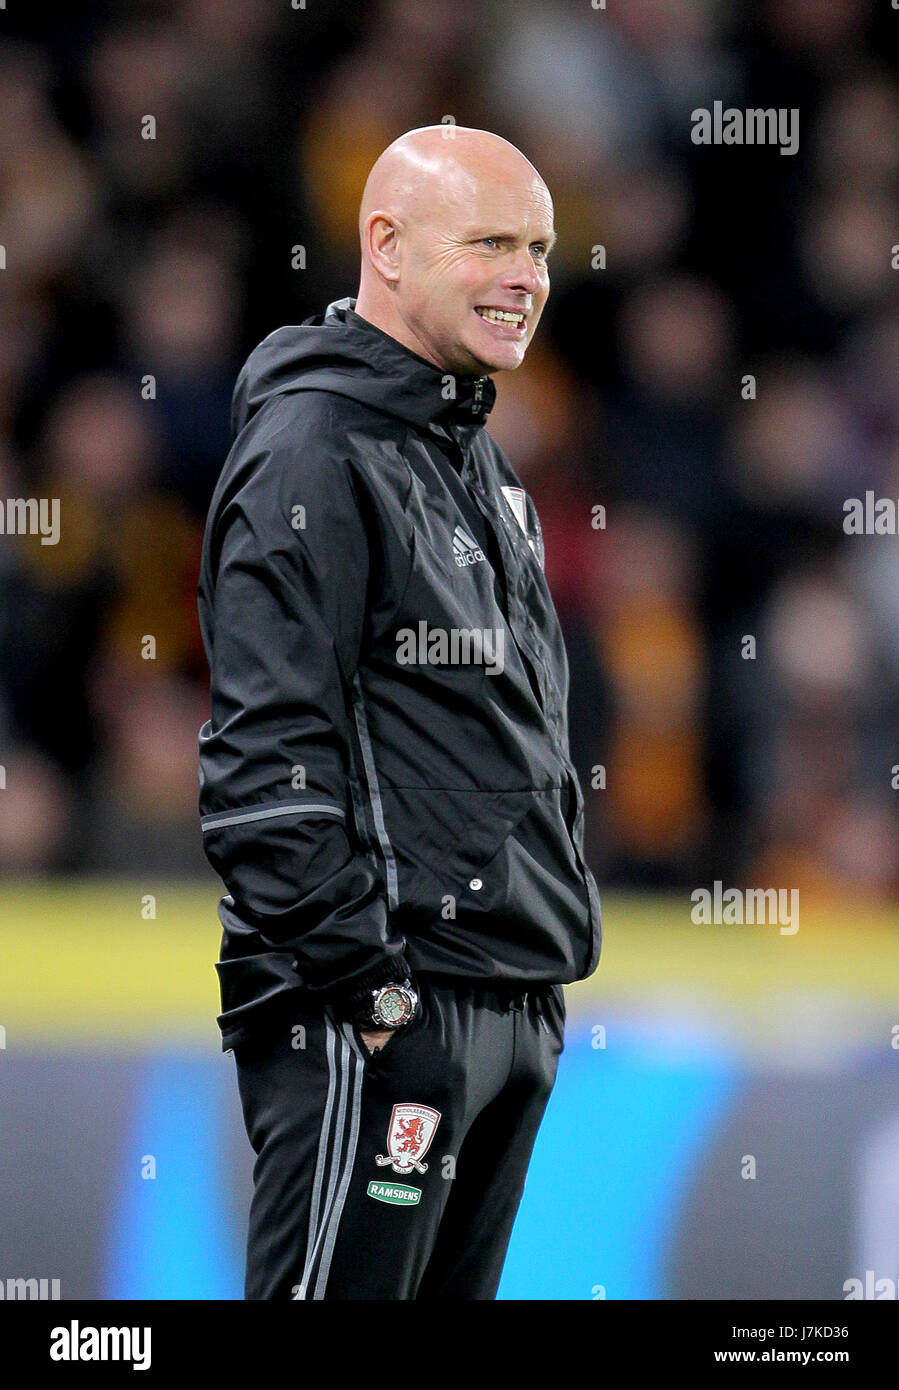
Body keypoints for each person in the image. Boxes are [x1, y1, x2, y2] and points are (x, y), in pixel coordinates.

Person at [196, 125, 602, 1300]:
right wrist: (378, 998)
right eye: (488, 242)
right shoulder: (311, 449)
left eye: (538, 246)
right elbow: (265, 760)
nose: (525, 275)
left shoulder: (471, 451)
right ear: (384, 244)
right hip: (383, 1006)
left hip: (503, 996)